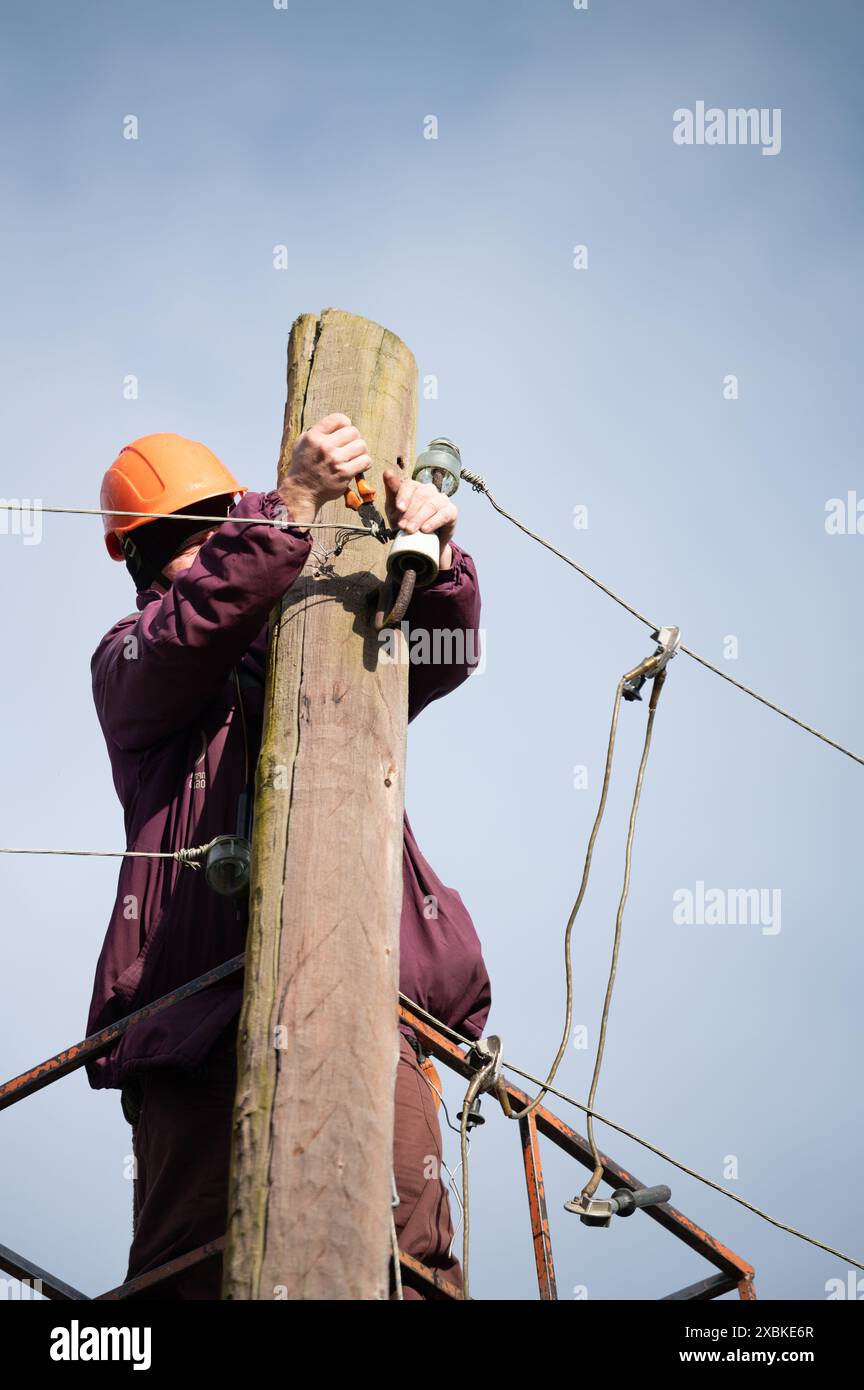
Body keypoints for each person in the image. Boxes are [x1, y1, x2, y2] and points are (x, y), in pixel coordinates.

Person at [85, 414, 491, 1299]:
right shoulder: (130, 659)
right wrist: (289, 507)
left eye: (213, 528)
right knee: (187, 1274)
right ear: (143, 563)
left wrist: (435, 554)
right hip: (198, 1030)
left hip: (374, 1015)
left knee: (407, 1266)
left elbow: (448, 649)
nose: (200, 553)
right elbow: (190, 632)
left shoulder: (317, 636)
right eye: (180, 542)